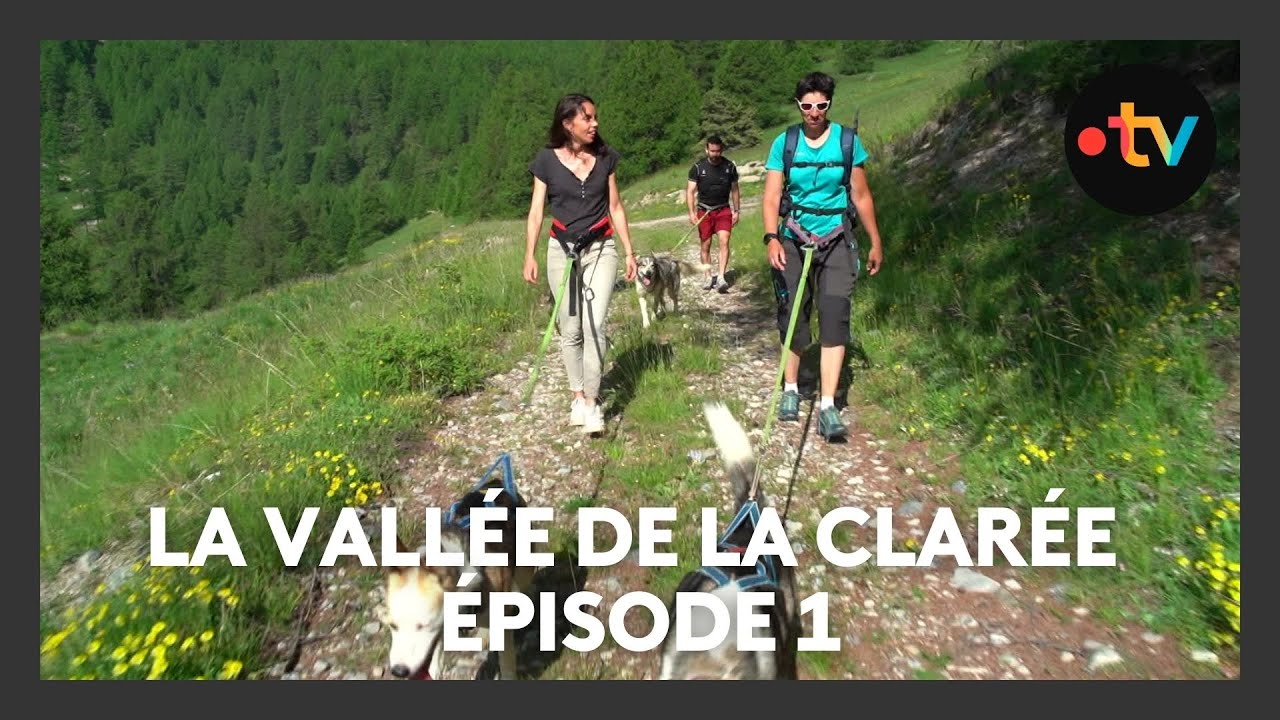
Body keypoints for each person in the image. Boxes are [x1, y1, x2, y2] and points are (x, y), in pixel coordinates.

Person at [761, 71, 884, 441]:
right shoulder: (785, 143)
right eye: (807, 106)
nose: (814, 112)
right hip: (793, 237)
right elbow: (770, 196)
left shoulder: (847, 143)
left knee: (834, 314)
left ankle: (828, 406)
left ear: (829, 104)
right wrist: (771, 237)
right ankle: (791, 389)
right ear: (798, 105)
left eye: (822, 105)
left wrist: (876, 241)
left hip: (836, 237)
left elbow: (861, 196)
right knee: (793, 313)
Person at [524, 93, 638, 435]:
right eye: (587, 118)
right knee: (570, 328)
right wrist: (529, 254)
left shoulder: (606, 157)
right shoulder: (546, 161)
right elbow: (536, 211)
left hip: (600, 247)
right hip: (561, 250)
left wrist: (630, 251)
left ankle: (592, 401)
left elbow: (615, 207)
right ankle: (576, 395)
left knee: (595, 325)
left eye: (595, 117)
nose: (595, 123)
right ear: (567, 124)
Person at [686, 135, 741, 293]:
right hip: (704, 211)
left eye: (718, 151)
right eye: (712, 151)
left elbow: (735, 190)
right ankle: (708, 275)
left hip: (723, 209)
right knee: (706, 245)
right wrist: (691, 213)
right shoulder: (697, 168)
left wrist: (737, 210)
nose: (715, 154)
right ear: (706, 150)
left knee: (724, 241)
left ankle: (722, 277)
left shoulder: (729, 167)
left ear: (721, 150)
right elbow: (690, 192)